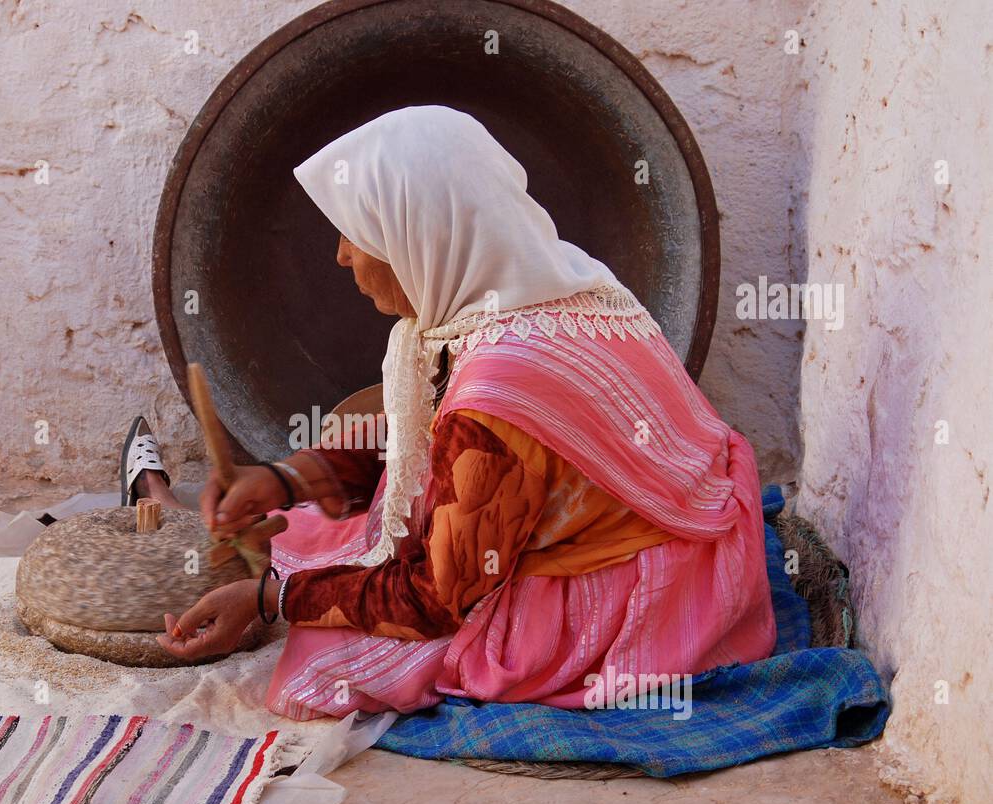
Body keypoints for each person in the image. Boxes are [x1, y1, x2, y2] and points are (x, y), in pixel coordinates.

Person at [127, 105, 775, 721]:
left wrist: (274, 602)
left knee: (325, 664)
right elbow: (426, 439)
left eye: (357, 234)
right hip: (705, 541)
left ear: (419, 235)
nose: (342, 256)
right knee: (303, 533)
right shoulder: (561, 281)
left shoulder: (501, 384)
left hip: (650, 601)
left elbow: (435, 601)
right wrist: (289, 476)